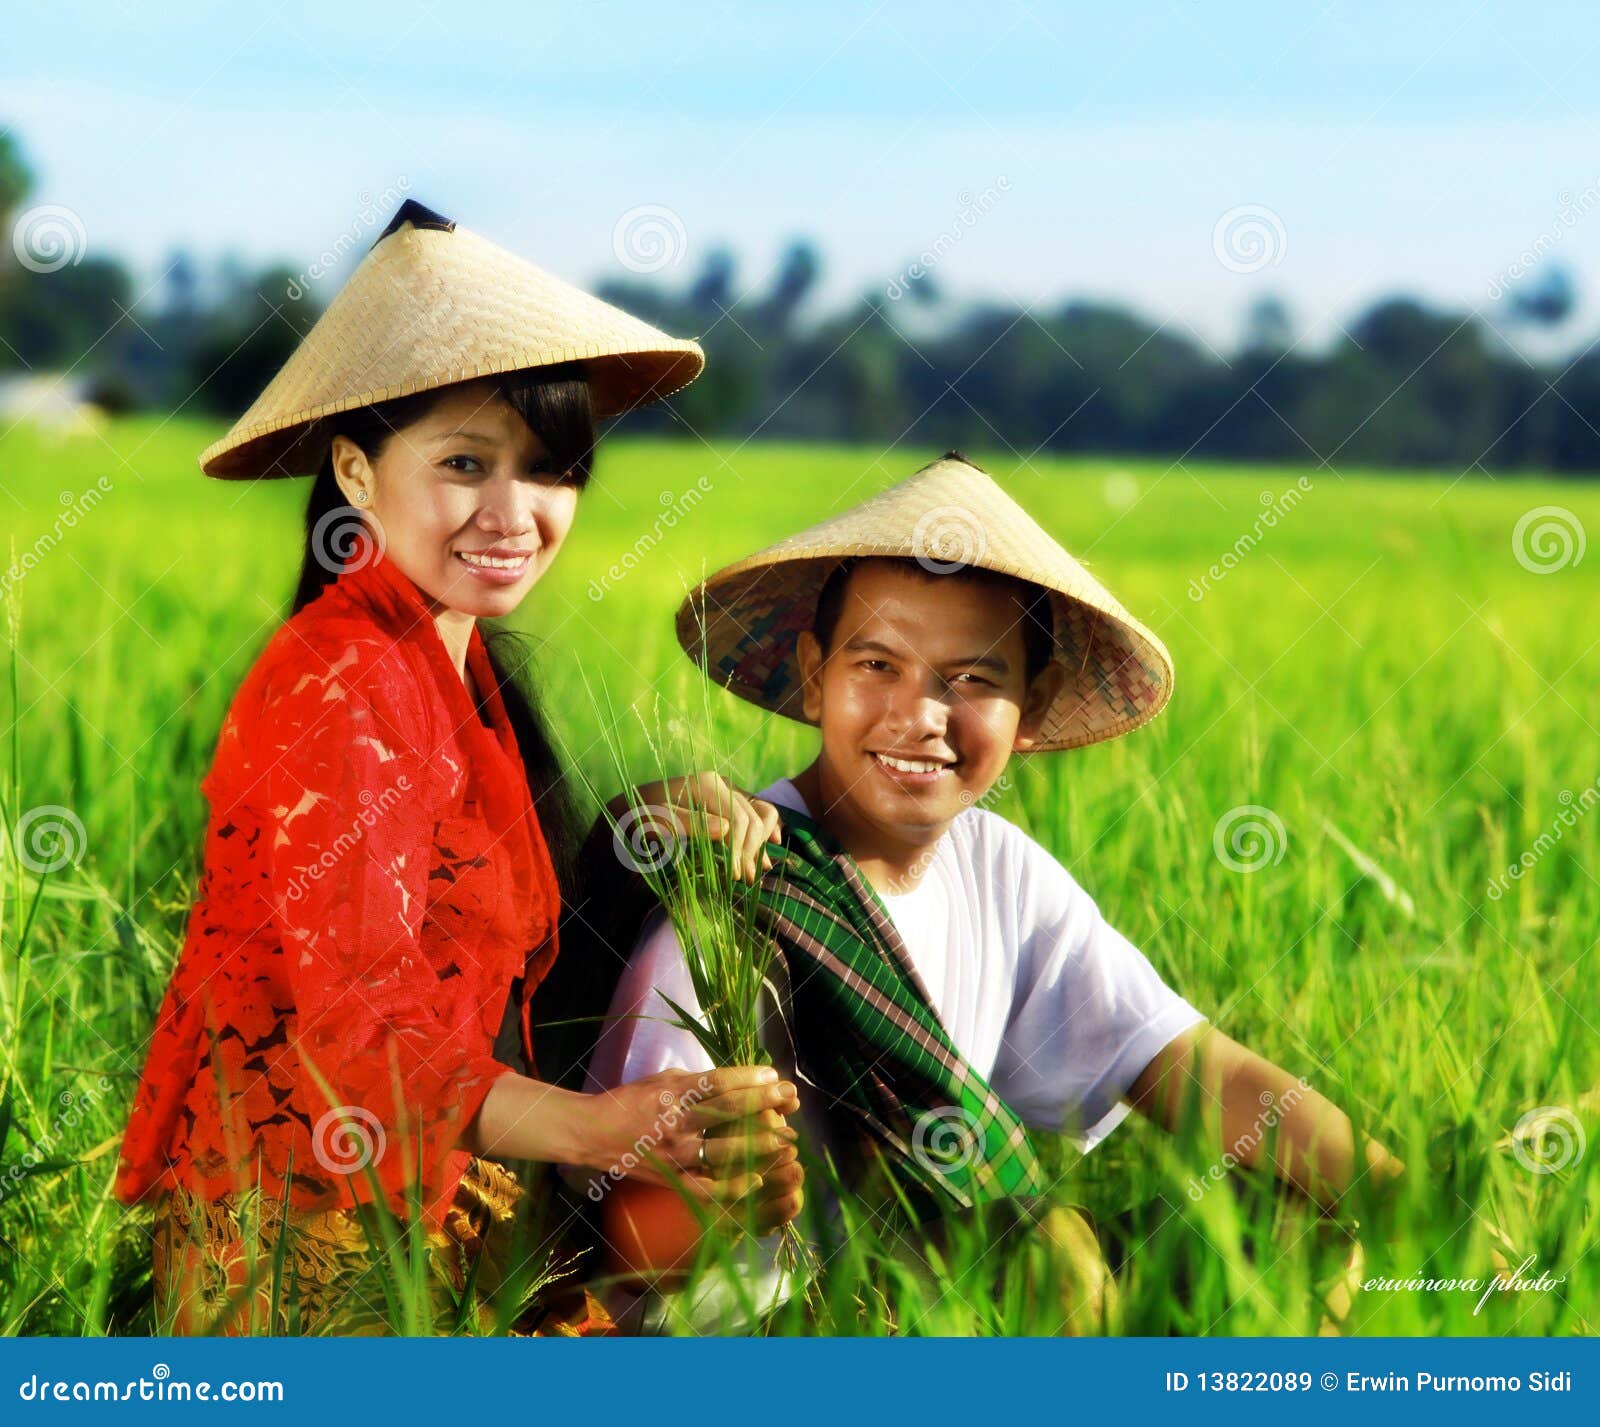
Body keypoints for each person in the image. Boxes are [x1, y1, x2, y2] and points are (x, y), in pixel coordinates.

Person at [113, 199, 799, 1337]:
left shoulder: (455, 667)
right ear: (356, 469)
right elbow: (360, 1030)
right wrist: (602, 1124)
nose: (514, 513)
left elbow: (476, 940)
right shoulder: (340, 684)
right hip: (311, 1250)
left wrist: (643, 823)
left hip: (447, 1208)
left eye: (551, 470)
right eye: (465, 463)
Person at [584, 450, 1407, 1334]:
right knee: (1050, 1260)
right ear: (816, 673)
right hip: (760, 1328)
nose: (921, 715)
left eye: (973, 679)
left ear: (1033, 703)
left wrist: (1412, 1204)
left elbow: (1193, 1069)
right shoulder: (739, 893)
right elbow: (631, 1235)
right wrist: (737, 1192)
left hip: (942, 1298)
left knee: (1306, 1232)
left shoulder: (997, 868)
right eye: (877, 666)